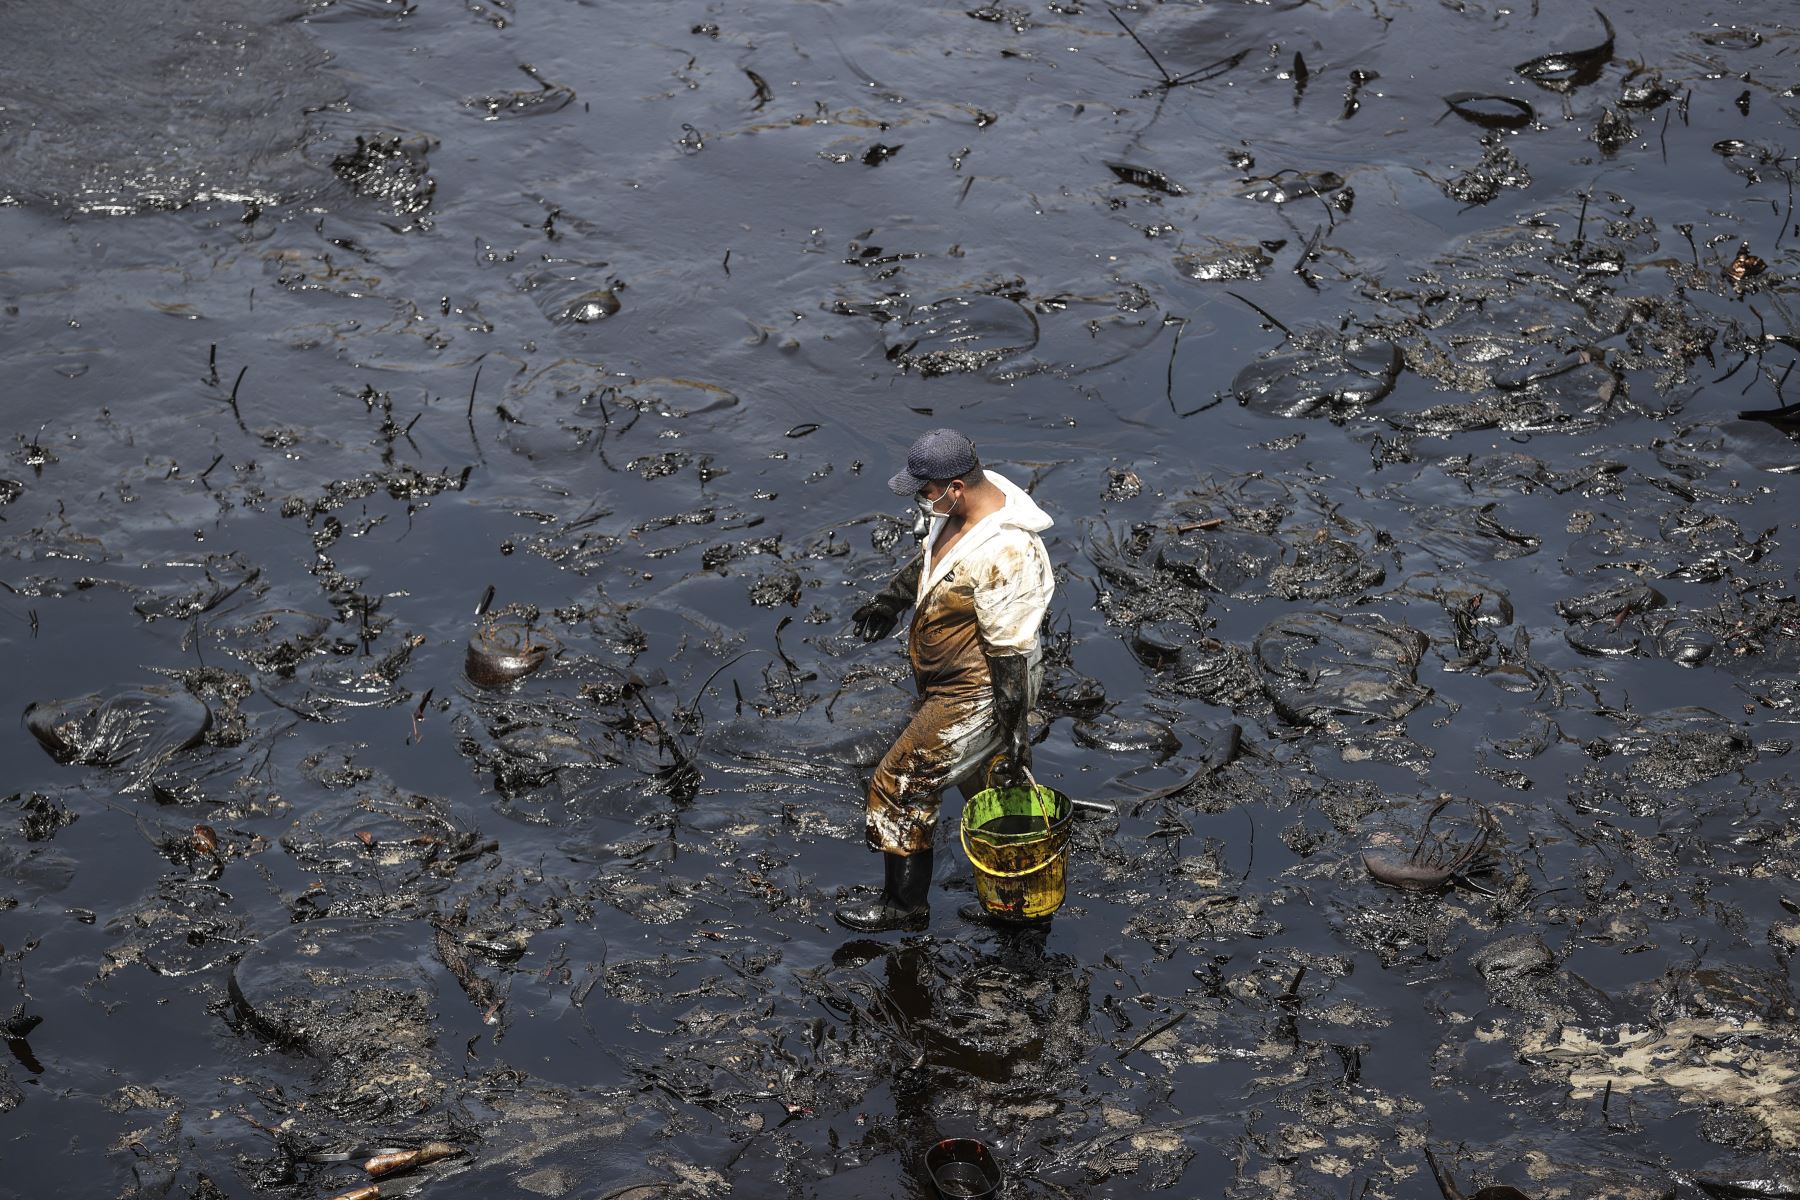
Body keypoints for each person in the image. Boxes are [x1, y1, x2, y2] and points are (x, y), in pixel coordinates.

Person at [835, 429, 1055, 932]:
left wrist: (1015, 729)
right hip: (952, 679)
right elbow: (937, 562)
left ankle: (904, 906)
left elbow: (1009, 653)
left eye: (925, 490)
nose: (920, 499)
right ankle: (1018, 906)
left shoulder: (1009, 553)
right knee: (991, 791)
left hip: (981, 691)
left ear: (956, 486)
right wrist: (891, 599)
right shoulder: (964, 506)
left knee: (900, 784)